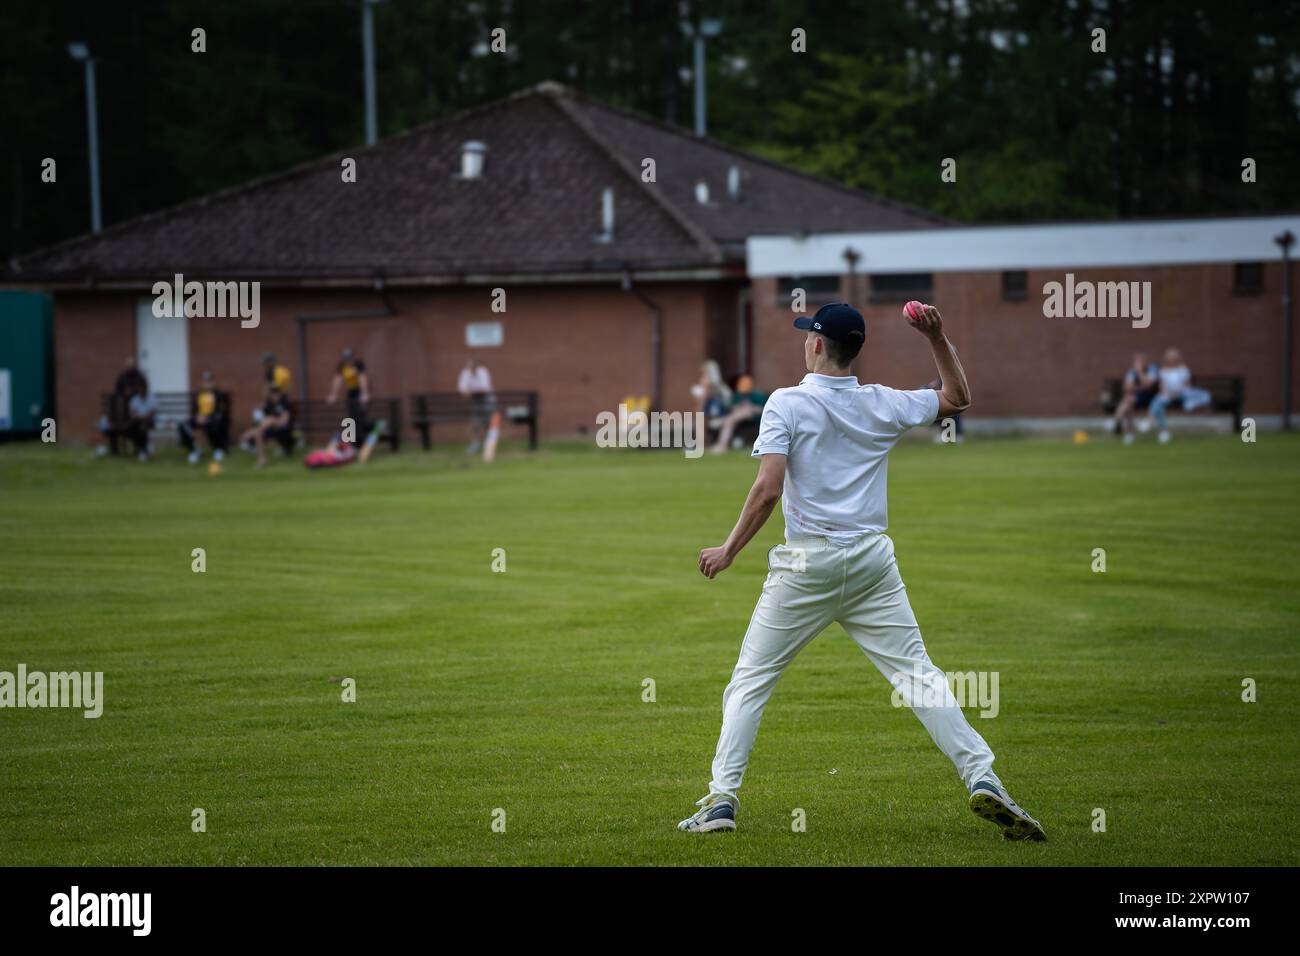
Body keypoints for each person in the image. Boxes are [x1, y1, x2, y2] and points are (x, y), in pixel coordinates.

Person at [679, 300, 1045, 841]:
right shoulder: (883, 403)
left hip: (807, 563)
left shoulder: (786, 401)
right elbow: (958, 399)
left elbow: (767, 488)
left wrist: (730, 549)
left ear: (818, 345)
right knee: (918, 676)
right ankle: (983, 776)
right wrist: (937, 338)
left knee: (750, 683)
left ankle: (721, 800)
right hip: (873, 561)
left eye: (810, 334)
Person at [1143, 348, 1210, 443]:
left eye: (1173, 358)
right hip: (1168, 396)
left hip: (1182, 395)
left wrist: (1180, 392)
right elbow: (1162, 387)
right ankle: (1160, 428)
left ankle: (1191, 403)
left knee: (1205, 395)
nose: (1171, 360)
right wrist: (1166, 393)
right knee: (1158, 403)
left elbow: (1187, 386)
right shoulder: (1163, 371)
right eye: (1169, 358)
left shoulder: (1183, 370)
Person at [239, 385, 293, 468]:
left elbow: (285, 420)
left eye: (277, 393)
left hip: (283, 428)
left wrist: (273, 420)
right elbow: (261, 419)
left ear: (280, 394)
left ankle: (251, 433)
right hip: (270, 428)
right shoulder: (268, 405)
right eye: (273, 394)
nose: (275, 396)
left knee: (270, 420)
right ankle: (262, 460)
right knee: (259, 434)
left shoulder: (285, 403)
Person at [179, 370, 227, 464]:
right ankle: (193, 451)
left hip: (212, 418)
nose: (207, 384)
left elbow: (221, 411)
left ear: (213, 383)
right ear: (201, 383)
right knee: (183, 426)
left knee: (214, 425)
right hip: (199, 417)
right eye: (205, 381)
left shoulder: (218, 394)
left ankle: (218, 449)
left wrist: (208, 417)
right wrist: (197, 416)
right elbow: (194, 410)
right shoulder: (198, 394)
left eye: (209, 381)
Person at [710, 374, 767, 453]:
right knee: (731, 421)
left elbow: (764, 410)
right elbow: (731, 408)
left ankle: (721, 422)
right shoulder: (738, 396)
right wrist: (739, 407)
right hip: (738, 419)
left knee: (745, 411)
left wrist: (751, 407)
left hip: (754, 418)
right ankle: (722, 445)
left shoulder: (757, 395)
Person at [1112, 352, 1159, 444]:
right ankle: (1122, 425)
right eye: (1136, 361)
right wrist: (1140, 386)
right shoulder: (1131, 372)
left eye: (1140, 361)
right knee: (1128, 403)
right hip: (1138, 396)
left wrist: (1139, 372)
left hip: (1152, 396)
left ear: (1145, 361)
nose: (1138, 363)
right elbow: (1127, 387)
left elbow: (1148, 385)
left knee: (1158, 402)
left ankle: (1161, 432)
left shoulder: (1152, 369)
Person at [327, 348, 370, 444]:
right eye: (346, 359)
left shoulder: (358, 364)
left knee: (360, 414)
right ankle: (354, 440)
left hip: (359, 391)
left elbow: (362, 378)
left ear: (353, 358)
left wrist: (364, 393)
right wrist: (333, 394)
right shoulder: (342, 366)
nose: (348, 361)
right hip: (351, 391)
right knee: (351, 416)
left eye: (350, 359)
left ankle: (362, 438)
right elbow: (337, 380)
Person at [457, 359, 496, 454]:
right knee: (475, 423)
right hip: (475, 401)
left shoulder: (483, 372)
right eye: (469, 367)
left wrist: (469, 391)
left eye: (472, 367)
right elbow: (462, 389)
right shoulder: (465, 373)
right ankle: (476, 443)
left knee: (488, 422)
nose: (470, 369)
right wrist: (470, 391)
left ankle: (488, 444)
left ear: (477, 366)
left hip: (487, 401)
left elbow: (484, 388)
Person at [123, 382, 157, 461]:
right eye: (140, 389)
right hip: (137, 421)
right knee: (131, 428)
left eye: (143, 388)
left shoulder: (152, 399)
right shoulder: (134, 399)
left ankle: (143, 450)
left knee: (142, 427)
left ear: (146, 389)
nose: (141, 390)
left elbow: (151, 414)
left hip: (149, 421)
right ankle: (143, 449)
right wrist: (139, 417)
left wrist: (141, 417)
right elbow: (132, 413)